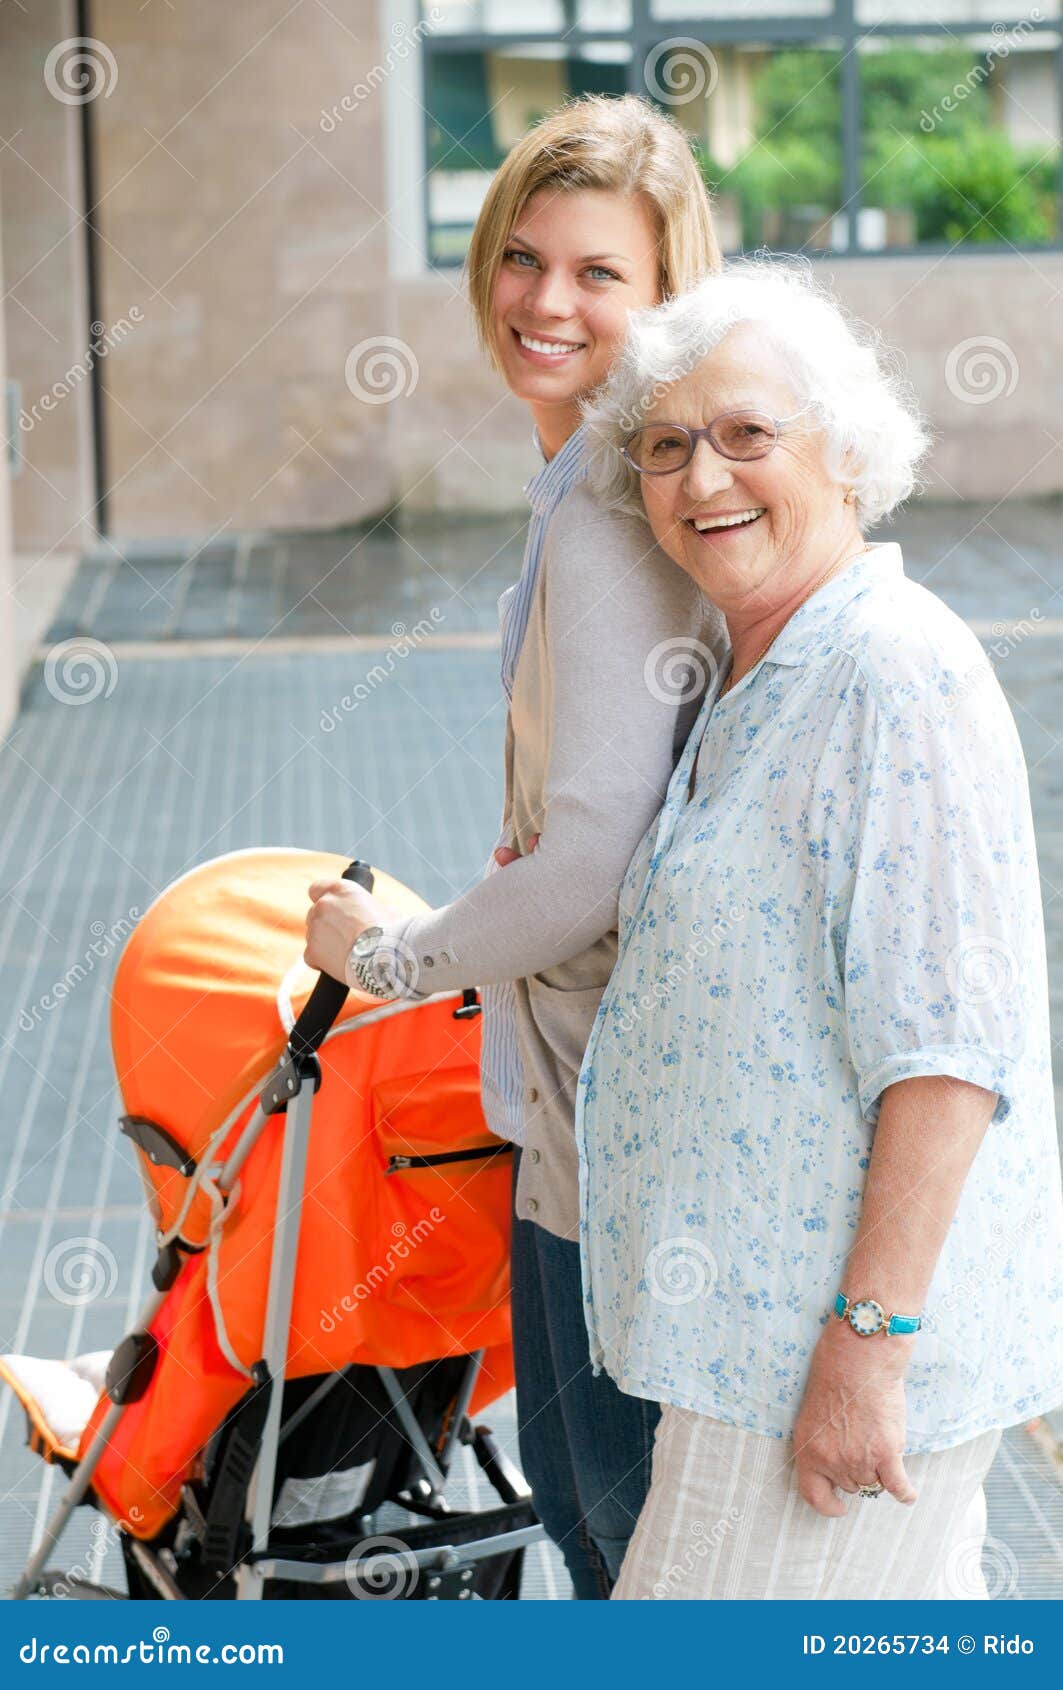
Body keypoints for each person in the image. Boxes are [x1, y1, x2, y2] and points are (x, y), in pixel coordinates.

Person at [573, 259, 1063, 1600]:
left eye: (746, 434)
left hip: (813, 1361)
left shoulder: (890, 671)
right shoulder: (763, 669)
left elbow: (949, 1057)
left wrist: (869, 1342)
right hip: (746, 1348)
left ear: (844, 452)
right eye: (666, 447)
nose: (702, 477)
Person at [303, 94, 726, 1596]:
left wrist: (394, 959)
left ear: (668, 298)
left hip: (612, 1119)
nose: (548, 301)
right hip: (583, 1103)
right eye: (523, 258)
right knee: (595, 1501)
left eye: (601, 274)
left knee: (611, 1521)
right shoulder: (590, 483)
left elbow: (591, 863)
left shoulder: (613, 508)